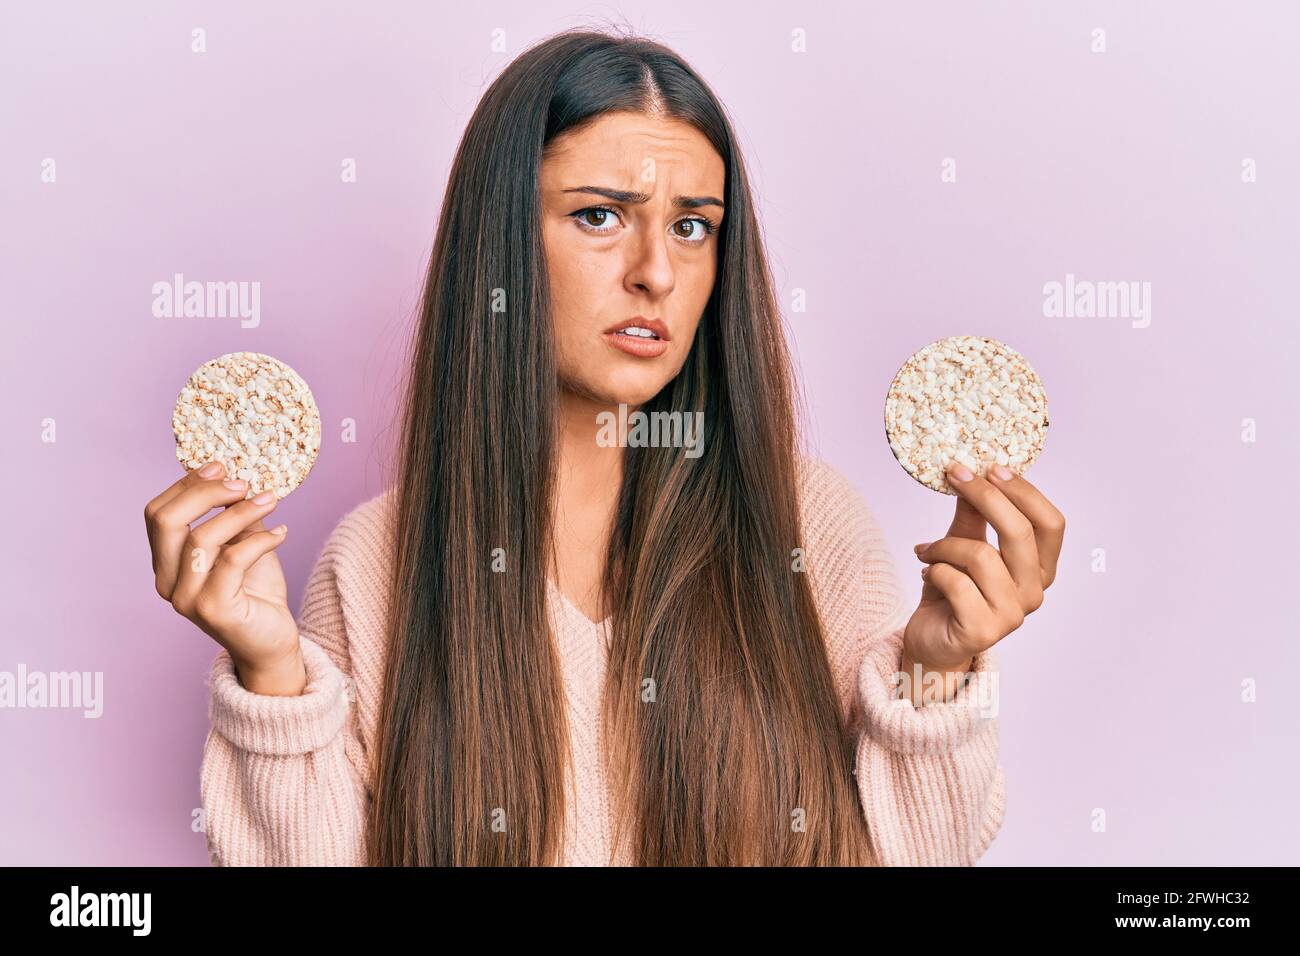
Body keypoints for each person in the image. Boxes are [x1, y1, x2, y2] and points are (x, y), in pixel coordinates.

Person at [143, 28, 1065, 866]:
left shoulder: (808, 528)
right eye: (599, 215)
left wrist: (934, 674)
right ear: (501, 243)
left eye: (692, 226)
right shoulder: (376, 560)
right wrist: (271, 678)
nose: (656, 272)